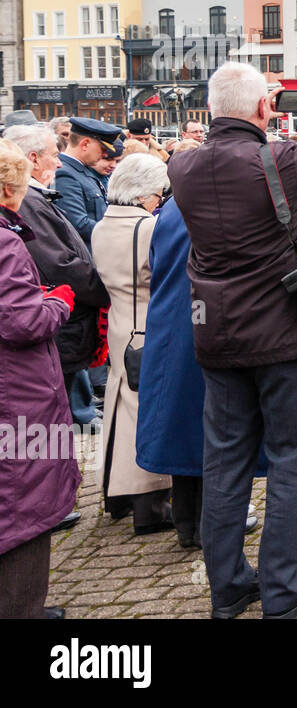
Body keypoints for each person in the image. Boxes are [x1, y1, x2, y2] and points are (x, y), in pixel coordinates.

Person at [169, 62, 297, 619]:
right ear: (264, 110)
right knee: (292, 460)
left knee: (224, 462)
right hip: (288, 332)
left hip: (219, 333)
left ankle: (227, 585)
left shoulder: (183, 166)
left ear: (210, 110)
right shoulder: (280, 158)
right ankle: (282, 587)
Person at [136, 148, 262, 551]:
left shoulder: (170, 209)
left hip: (171, 323)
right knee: (216, 425)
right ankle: (215, 523)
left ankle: (188, 524)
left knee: (180, 424)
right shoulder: (214, 207)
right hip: (207, 320)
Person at [0, 139, 80, 619]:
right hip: (17, 392)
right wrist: (58, 300)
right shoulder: (5, 239)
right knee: (24, 506)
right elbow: (23, 322)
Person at [91, 154, 174, 534]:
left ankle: (118, 493)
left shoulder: (103, 225)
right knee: (147, 413)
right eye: (158, 192)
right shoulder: (148, 228)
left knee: (121, 410)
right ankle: (150, 502)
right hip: (149, 329)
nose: (160, 199)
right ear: (144, 194)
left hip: (122, 326)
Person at [9, 125, 109, 433]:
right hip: (63, 321)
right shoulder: (28, 202)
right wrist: (102, 290)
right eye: (55, 155)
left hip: (65, 321)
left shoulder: (33, 199)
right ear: (34, 160)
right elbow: (59, 264)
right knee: (52, 422)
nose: (60, 163)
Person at [54, 117, 121, 245]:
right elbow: (78, 224)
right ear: (85, 144)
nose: (103, 155)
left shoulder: (83, 170)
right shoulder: (65, 173)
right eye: (103, 149)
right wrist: (117, 233)